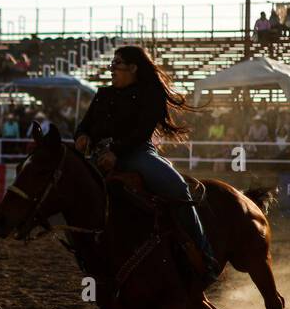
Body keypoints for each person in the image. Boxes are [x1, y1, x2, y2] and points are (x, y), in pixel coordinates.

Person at [74, 45, 220, 288]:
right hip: (100, 157)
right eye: (111, 64)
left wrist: (115, 152)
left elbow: (141, 134)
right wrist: (81, 136)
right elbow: (85, 125)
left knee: (178, 189)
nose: (111, 69)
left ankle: (204, 254)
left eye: (116, 64)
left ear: (133, 68)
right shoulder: (103, 94)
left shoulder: (150, 94)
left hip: (136, 154)